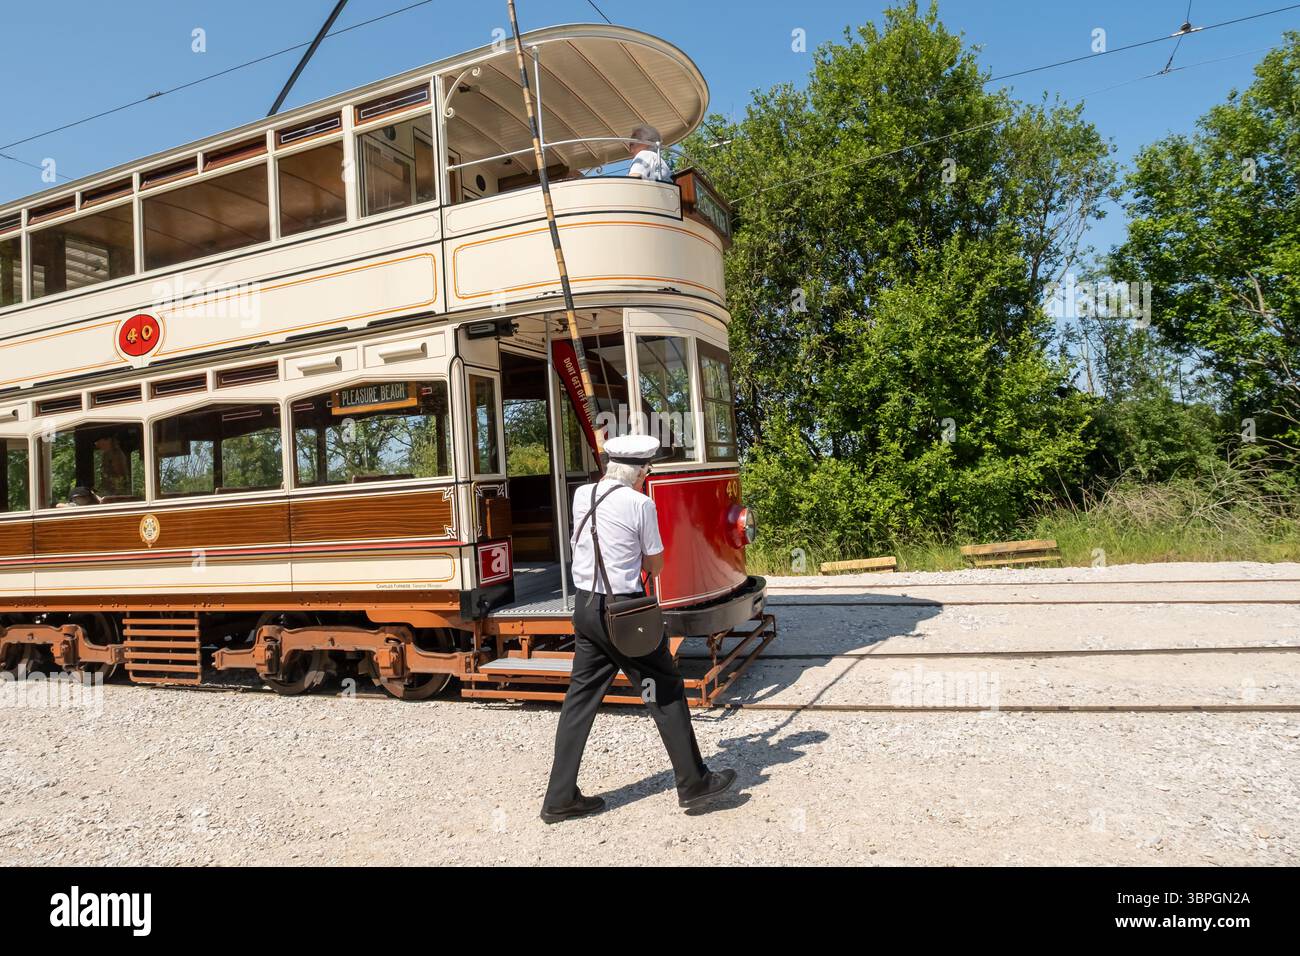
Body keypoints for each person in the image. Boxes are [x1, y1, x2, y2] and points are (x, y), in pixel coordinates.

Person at [541, 433, 736, 823]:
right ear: (641, 470)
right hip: (625, 615)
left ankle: (559, 798)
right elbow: (654, 565)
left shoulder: (583, 496)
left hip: (585, 608)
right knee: (665, 691)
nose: (648, 475)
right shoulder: (641, 504)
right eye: (648, 468)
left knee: (579, 701)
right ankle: (694, 784)